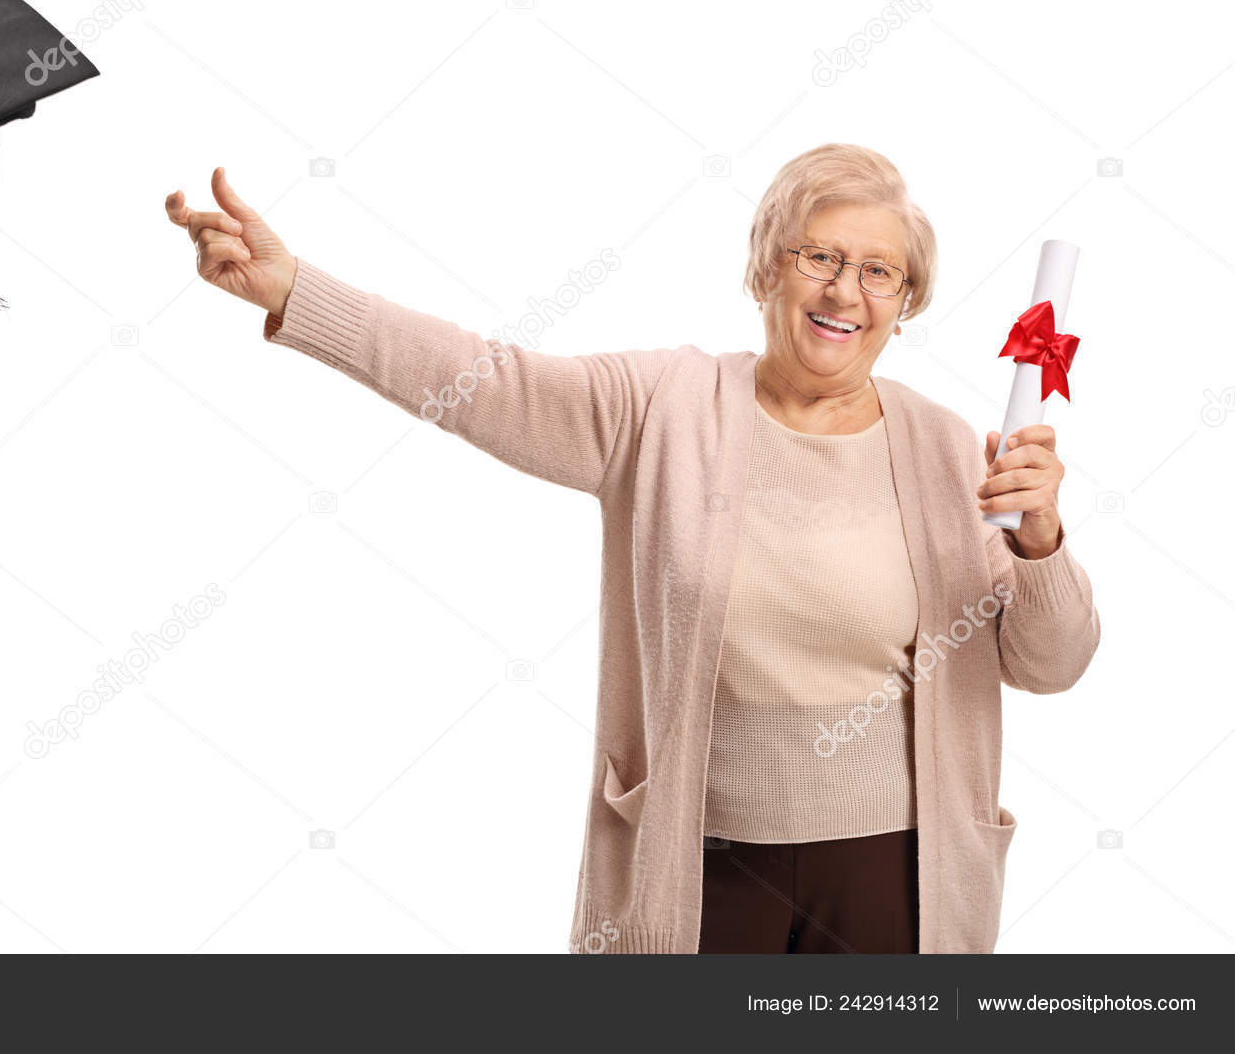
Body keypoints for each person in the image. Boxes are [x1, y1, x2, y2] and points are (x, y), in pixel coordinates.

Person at [164, 144, 1100, 953]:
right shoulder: (661, 407)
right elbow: (482, 381)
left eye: (878, 272)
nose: (844, 291)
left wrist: (1041, 542)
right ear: (767, 268)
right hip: (696, 871)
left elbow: (1049, 665)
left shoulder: (949, 448)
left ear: (905, 301)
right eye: (820, 256)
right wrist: (298, 291)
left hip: (896, 875)